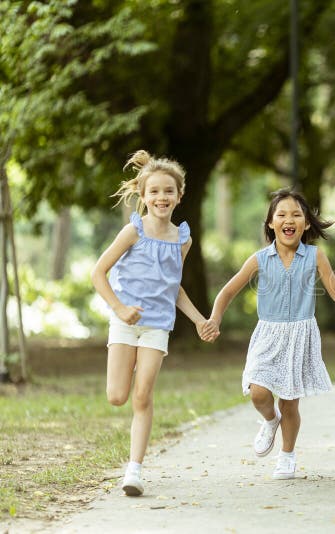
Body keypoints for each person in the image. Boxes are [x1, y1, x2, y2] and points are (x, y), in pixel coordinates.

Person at [201, 190, 335, 480]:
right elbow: (228, 291)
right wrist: (215, 318)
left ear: (307, 224)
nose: (289, 219)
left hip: (300, 334)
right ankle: (270, 420)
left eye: (297, 214)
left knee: (289, 402)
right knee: (258, 391)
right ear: (271, 223)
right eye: (282, 214)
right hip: (268, 334)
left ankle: (287, 456)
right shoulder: (260, 259)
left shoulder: (314, 256)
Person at [91, 150, 215, 497]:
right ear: (143, 196)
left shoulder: (183, 239)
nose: (162, 197)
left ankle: (134, 471)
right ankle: (125, 373)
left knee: (142, 395)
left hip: (158, 325)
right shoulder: (133, 231)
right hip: (125, 322)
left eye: (168, 191)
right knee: (117, 397)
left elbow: (172, 286)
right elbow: (97, 273)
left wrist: (198, 319)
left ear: (179, 195)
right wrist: (118, 307)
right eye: (155, 192)